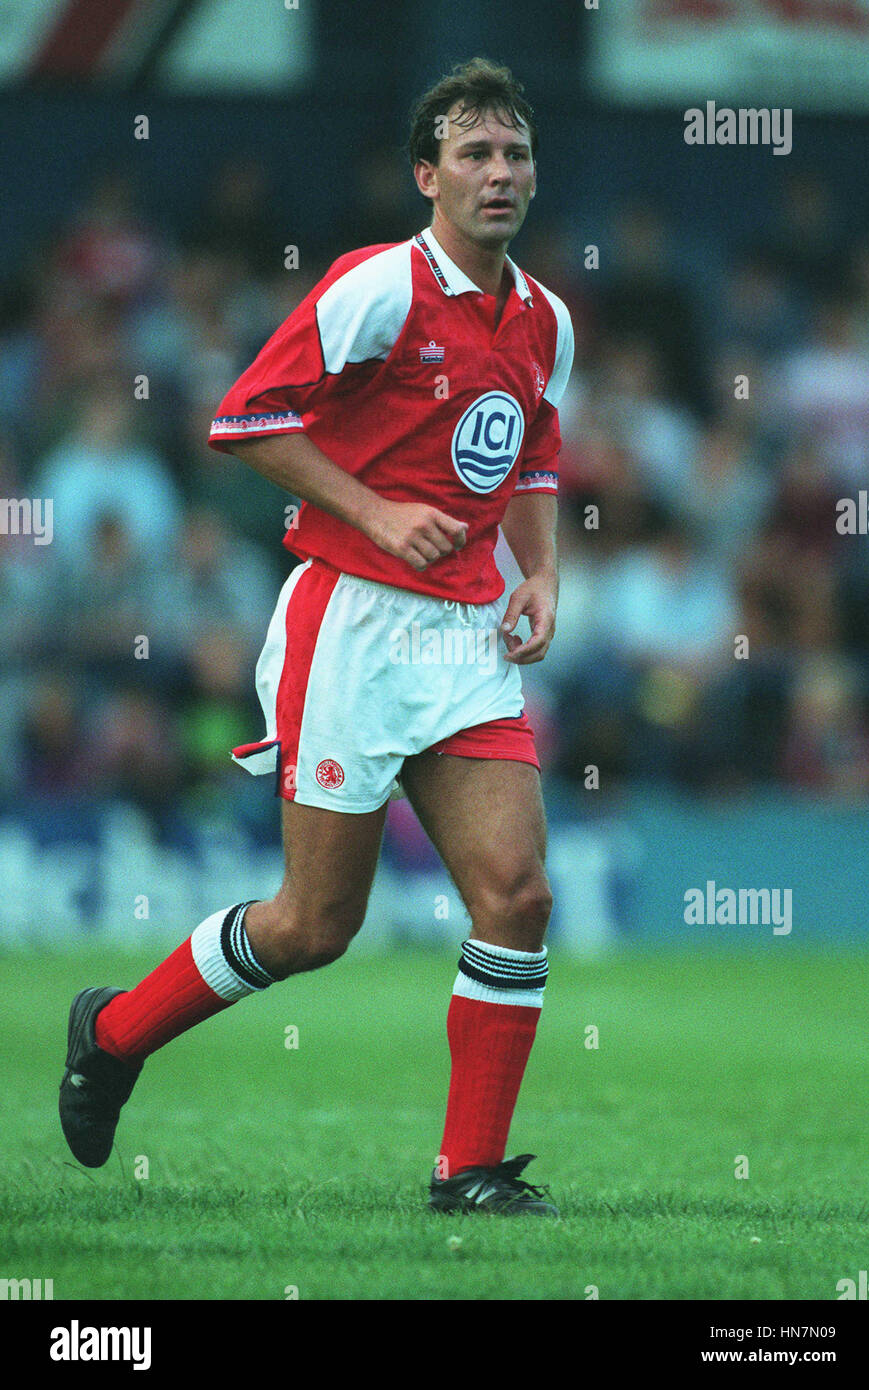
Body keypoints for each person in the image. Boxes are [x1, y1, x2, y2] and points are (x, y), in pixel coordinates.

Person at [59, 58, 574, 1216]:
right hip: (351, 621)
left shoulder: (545, 318)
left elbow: (534, 447)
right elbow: (244, 419)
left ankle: (469, 1172)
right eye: (474, 154)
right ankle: (115, 1031)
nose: (499, 173)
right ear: (425, 174)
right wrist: (380, 509)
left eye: (515, 153)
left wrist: (538, 568)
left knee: (519, 894)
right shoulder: (376, 288)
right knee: (312, 926)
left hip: (465, 639)